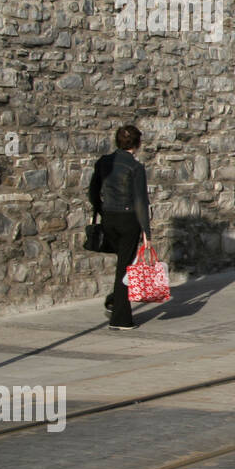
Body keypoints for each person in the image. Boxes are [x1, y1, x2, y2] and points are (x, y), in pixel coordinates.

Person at [88, 125, 151, 330]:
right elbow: (141, 201)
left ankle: (115, 299)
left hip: (109, 218)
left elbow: (92, 192)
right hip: (127, 219)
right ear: (137, 144)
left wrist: (101, 210)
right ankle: (120, 318)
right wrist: (146, 233)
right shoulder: (135, 167)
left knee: (123, 264)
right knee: (126, 265)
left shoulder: (103, 162)